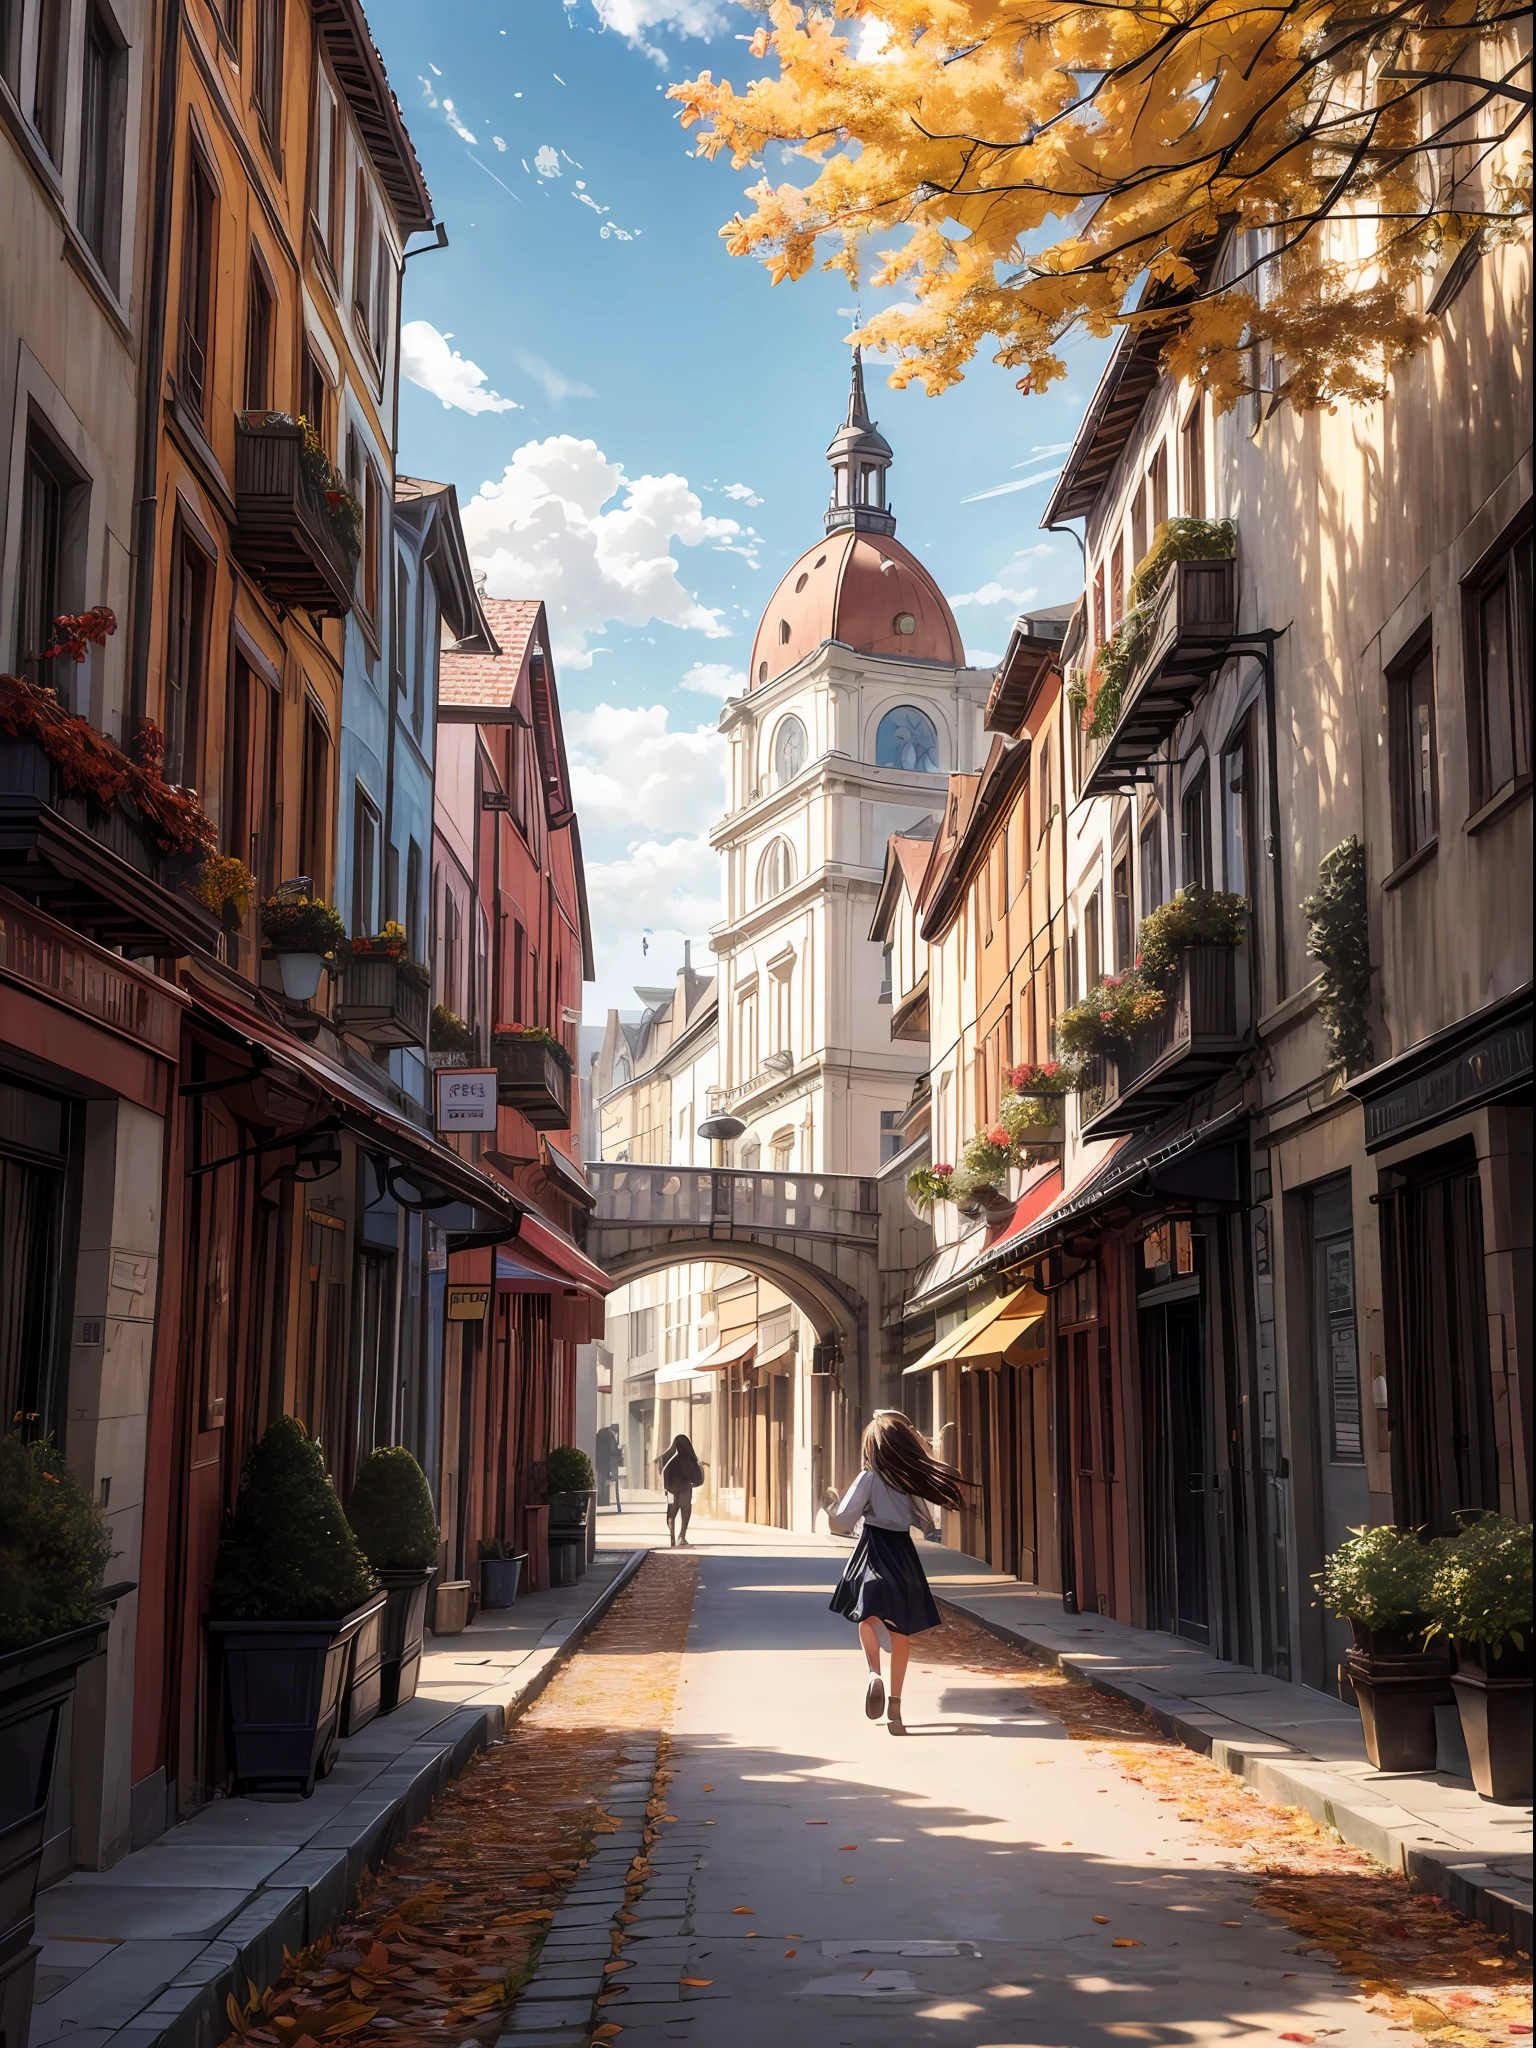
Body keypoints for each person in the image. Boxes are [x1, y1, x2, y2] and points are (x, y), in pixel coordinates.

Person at [827, 1410, 968, 1734]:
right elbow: (926, 1522)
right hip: (902, 1554)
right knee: (899, 1630)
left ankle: (874, 1672)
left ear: (873, 1447)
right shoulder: (908, 1481)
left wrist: (834, 1510)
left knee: (866, 1617)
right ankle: (895, 1706)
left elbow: (844, 1520)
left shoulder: (868, 1478)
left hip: (872, 1550)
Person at [658, 1432, 704, 1547]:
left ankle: (672, 1538)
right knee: (685, 1512)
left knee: (671, 1513)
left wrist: (666, 1488)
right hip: (685, 1490)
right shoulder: (691, 1459)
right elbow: (697, 1477)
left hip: (672, 1491)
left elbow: (665, 1474)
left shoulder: (671, 1460)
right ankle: (682, 1536)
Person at [596, 1424, 622, 1513]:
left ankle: (600, 1500)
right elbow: (613, 1449)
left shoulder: (600, 1436)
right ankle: (604, 1501)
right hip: (607, 1461)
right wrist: (619, 1453)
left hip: (599, 1460)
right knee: (605, 1480)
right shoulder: (611, 1435)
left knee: (600, 1480)